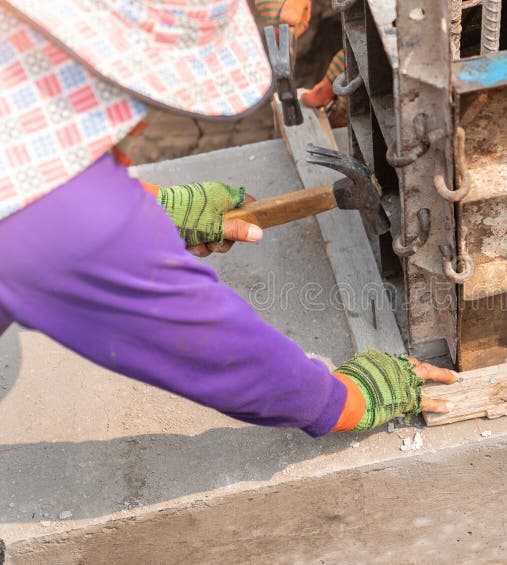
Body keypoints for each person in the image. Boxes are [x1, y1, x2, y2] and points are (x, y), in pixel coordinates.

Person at [0, 0, 455, 436]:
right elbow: (211, 348)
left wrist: (153, 206)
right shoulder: (57, 214)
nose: (145, 120)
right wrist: (342, 400)